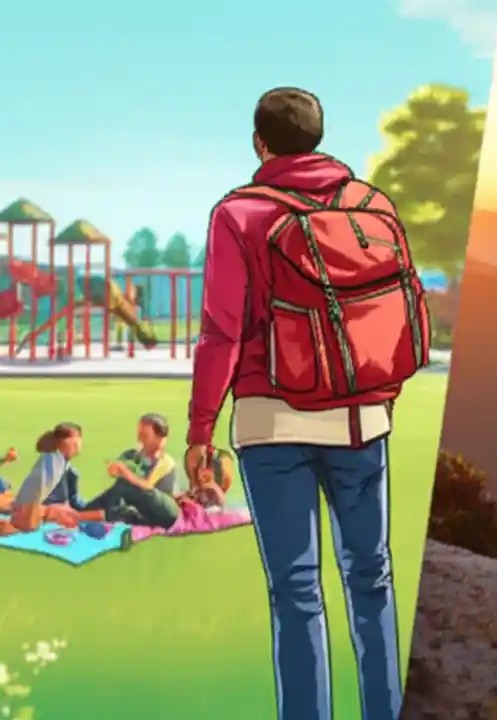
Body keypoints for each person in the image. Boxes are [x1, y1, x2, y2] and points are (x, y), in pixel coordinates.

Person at [185, 87, 428, 720]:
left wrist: (200, 431)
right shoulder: (371, 204)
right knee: (371, 580)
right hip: (363, 420)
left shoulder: (239, 215)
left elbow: (221, 332)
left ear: (259, 143)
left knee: (297, 594)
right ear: (318, 138)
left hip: (274, 425)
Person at [0, 423, 98, 536]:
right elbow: (50, 497)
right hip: (40, 508)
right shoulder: (55, 463)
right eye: (75, 443)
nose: (78, 447)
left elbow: (71, 498)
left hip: (39, 507)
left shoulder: (63, 466)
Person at [83, 414, 184, 529]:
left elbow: (147, 487)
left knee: (124, 485)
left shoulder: (165, 461)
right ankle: (83, 513)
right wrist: (115, 470)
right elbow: (119, 477)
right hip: (145, 512)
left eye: (144, 436)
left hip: (164, 513)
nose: (139, 440)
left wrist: (125, 472)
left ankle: (84, 511)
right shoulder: (134, 455)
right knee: (122, 507)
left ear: (160, 438)